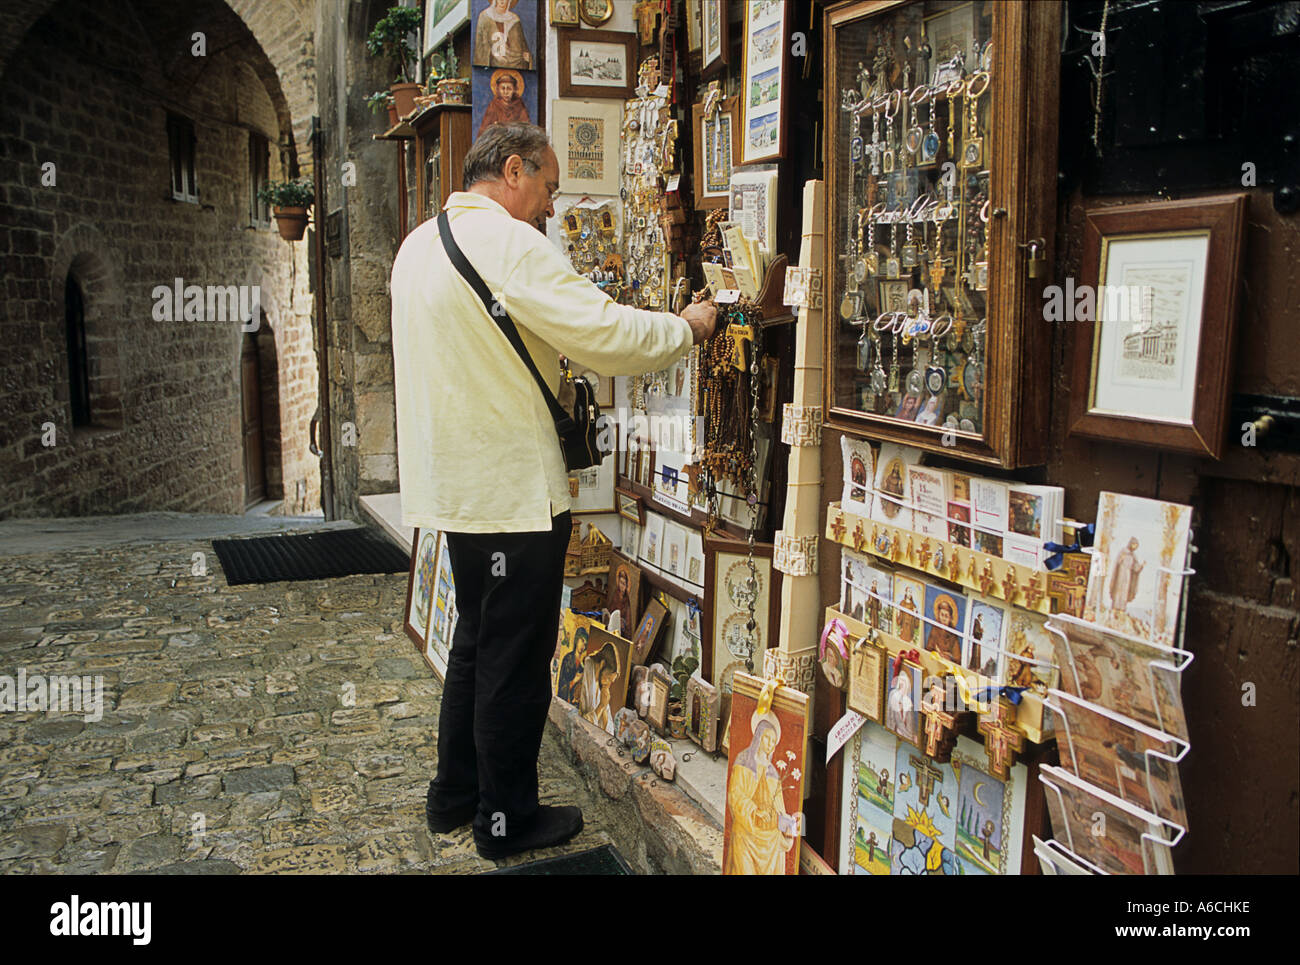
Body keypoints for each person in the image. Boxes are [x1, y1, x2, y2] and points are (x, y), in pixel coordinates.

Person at [391, 123, 718, 861]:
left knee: (476, 637)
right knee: (513, 654)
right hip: (511, 492)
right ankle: (504, 819)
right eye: (546, 186)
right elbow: (603, 333)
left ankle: (455, 793)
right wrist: (687, 328)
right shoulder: (506, 243)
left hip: (457, 490)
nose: (549, 204)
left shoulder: (418, 245)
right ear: (513, 170)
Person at [725, 709, 801, 874]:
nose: (770, 744)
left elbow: (779, 808)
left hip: (768, 836)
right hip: (746, 831)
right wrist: (755, 811)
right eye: (767, 738)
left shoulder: (773, 773)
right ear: (758, 736)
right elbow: (735, 796)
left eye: (774, 741)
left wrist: (787, 825)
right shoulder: (744, 762)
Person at [473, 0, 533, 69]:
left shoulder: (514, 19)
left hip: (517, 64)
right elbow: (480, 49)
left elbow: (523, 46)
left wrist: (528, 57)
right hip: (494, 64)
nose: (502, 2)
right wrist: (494, 55)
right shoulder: (485, 16)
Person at [477, 70, 531, 137]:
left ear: (514, 89)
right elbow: (484, 131)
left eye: (509, 89)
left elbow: (526, 128)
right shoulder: (493, 105)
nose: (506, 92)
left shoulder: (519, 105)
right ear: (498, 90)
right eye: (503, 88)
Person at [925, 593, 963, 663]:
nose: (944, 618)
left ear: (950, 618)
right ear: (938, 615)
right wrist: (936, 652)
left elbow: (957, 657)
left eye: (946, 616)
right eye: (942, 615)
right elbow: (929, 647)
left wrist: (948, 656)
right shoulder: (935, 629)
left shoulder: (953, 634)